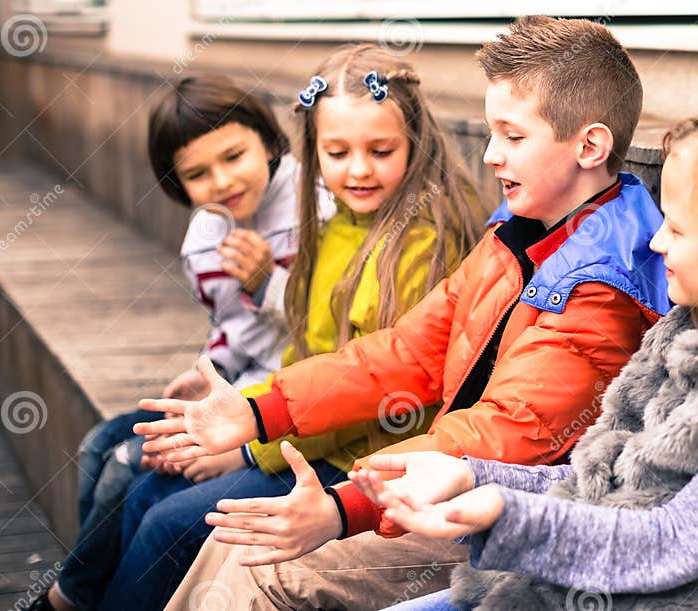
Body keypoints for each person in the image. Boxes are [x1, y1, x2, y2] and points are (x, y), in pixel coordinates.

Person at [150, 16, 671, 611]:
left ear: (590, 147)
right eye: (490, 133)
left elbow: (506, 433)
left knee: (268, 564)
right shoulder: (521, 235)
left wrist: (352, 504)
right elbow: (403, 352)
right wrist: (257, 411)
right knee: (238, 540)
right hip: (435, 487)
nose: (493, 155)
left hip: (500, 520)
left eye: (513, 137)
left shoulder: (602, 289)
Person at [355, 103, 698, 611]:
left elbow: (675, 541)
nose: (656, 242)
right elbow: (602, 484)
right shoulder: (692, 334)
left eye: (680, 228)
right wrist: (468, 477)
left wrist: (504, 516)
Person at [88, 45, 489, 611]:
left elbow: (370, 395)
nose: (358, 170)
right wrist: (238, 416)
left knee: (167, 526)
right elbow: (310, 356)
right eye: (337, 152)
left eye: (381, 150)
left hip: (361, 460)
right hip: (304, 433)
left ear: (415, 141)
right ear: (312, 151)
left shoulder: (421, 243)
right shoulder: (337, 220)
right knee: (146, 482)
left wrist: (250, 449)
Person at [34, 74, 306, 611]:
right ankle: (82, 589)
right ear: (177, 184)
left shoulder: (311, 207)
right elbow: (237, 327)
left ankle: (71, 597)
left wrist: (268, 283)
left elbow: (326, 331)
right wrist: (210, 367)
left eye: (234, 156)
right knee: (101, 443)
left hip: (284, 399)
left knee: (131, 464)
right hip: (243, 385)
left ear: (269, 141)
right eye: (197, 174)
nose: (223, 181)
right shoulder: (206, 236)